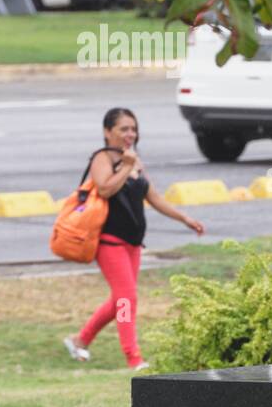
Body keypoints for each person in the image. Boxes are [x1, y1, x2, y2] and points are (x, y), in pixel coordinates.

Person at [63, 108, 205, 370]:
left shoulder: (134, 161)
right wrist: (126, 165)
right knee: (127, 299)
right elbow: (105, 189)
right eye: (123, 129)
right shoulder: (102, 158)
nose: (130, 134)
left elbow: (153, 197)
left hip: (133, 244)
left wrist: (184, 218)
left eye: (133, 129)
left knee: (120, 300)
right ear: (108, 132)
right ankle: (134, 358)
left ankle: (80, 340)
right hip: (109, 242)